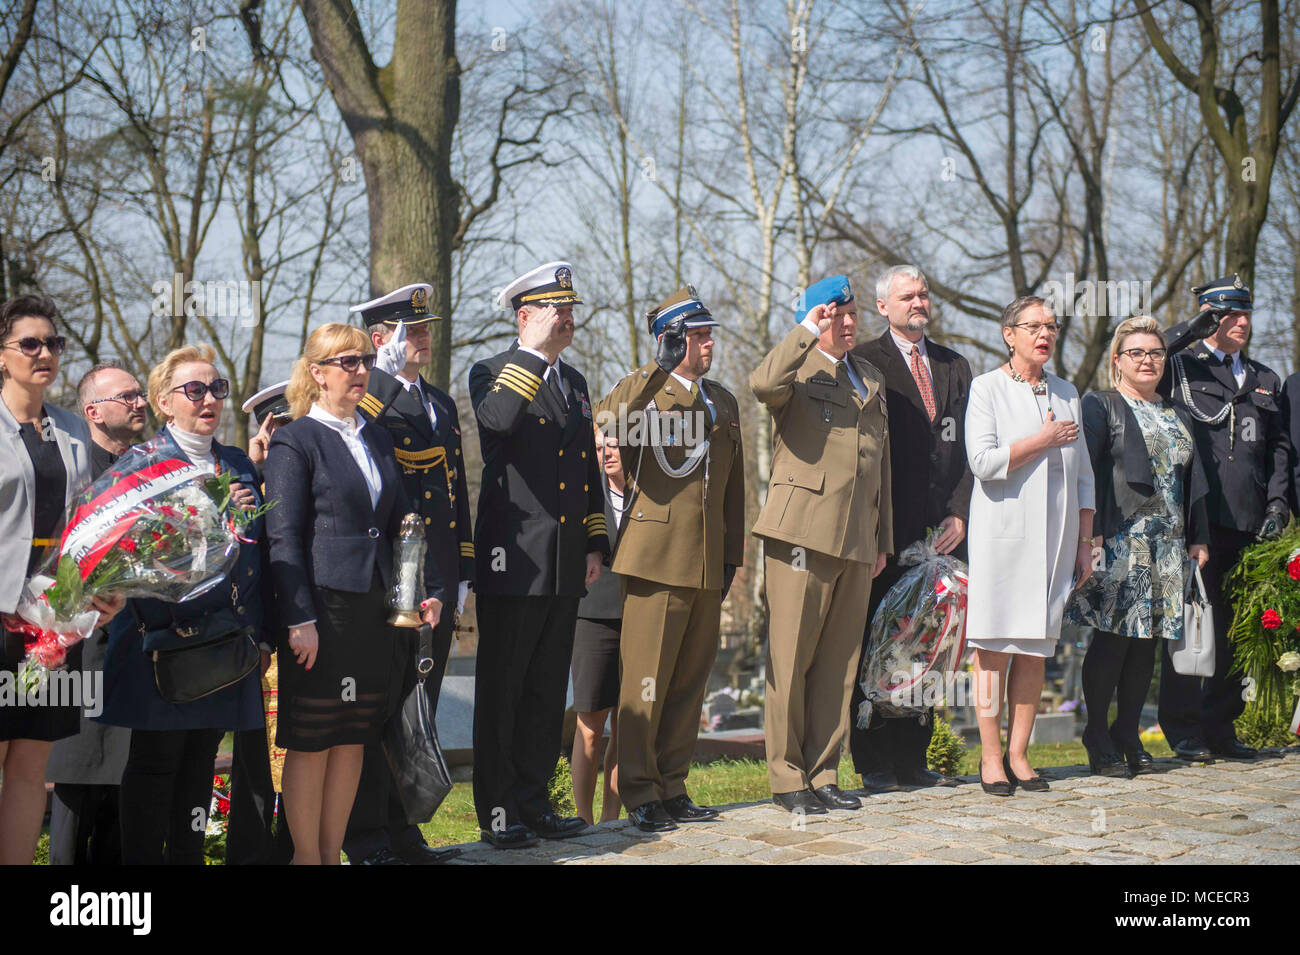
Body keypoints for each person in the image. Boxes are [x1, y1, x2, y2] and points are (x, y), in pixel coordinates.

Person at [264, 323, 440, 865]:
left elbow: (400, 526)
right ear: (316, 372)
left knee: (353, 737)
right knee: (313, 737)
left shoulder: (378, 436)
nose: (360, 370)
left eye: (364, 360)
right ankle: (304, 858)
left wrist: (416, 595)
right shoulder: (297, 438)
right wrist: (297, 617)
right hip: (321, 613)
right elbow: (282, 535)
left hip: (374, 609)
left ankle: (330, 854)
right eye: (346, 362)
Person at [97, 344, 268, 864]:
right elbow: (124, 559)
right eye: (194, 390)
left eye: (216, 388)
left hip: (222, 641)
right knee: (155, 765)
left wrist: (257, 633)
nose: (209, 399)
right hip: (159, 641)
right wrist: (210, 520)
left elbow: (257, 557)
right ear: (163, 402)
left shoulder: (238, 463)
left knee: (200, 765)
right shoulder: (139, 466)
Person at [594, 286, 745, 833]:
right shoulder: (641, 393)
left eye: (708, 335)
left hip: (706, 562)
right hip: (656, 558)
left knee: (687, 683)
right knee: (646, 683)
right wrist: (656, 370)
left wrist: (732, 555)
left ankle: (674, 785)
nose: (709, 345)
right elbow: (610, 425)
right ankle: (639, 790)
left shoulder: (722, 401)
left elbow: (734, 487)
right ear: (671, 340)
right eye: (697, 336)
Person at [469, 262, 607, 848]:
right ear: (524, 316)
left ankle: (534, 802)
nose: (568, 318)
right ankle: (499, 813)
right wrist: (530, 352)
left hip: (565, 560)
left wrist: (596, 541)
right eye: (556, 309)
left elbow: (585, 468)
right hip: (514, 560)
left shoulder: (574, 382)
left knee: (547, 690)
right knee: (503, 690)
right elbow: (497, 421)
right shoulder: (491, 371)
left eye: (571, 309)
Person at [340, 283, 469, 865]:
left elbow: (456, 494)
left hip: (435, 580)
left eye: (425, 328)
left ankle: (404, 828)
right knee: (377, 707)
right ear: (379, 339)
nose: (422, 338)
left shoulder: (440, 402)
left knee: (421, 703)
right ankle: (366, 837)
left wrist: (460, 572)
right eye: (409, 329)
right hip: (389, 578)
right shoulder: (367, 400)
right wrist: (384, 381)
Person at [751, 275, 889, 814]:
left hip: (857, 536)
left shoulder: (870, 375)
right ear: (815, 318)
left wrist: (885, 536)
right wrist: (806, 328)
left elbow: (883, 465)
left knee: (839, 661)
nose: (848, 322)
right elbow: (762, 386)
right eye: (836, 314)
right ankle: (787, 777)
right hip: (800, 533)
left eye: (852, 313)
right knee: (790, 658)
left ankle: (824, 770)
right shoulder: (797, 367)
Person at [0, 295, 123, 865]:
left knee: (31, 764)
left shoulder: (74, 429)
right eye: (30, 343)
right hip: (1, 618)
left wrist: (102, 592)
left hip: (55, 621)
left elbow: (93, 521)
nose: (44, 352)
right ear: (3, 355)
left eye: (52, 343)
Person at [1066, 317, 1211, 777]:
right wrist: (1087, 535)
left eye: (1155, 353)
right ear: (1118, 361)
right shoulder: (1101, 405)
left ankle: (1128, 732)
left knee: (1148, 644)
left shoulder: (1177, 412)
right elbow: (1084, 473)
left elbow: (1194, 481)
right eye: (1136, 353)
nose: (1147, 360)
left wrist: (1198, 537)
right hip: (1120, 537)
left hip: (1168, 542)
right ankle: (1096, 734)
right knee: (1113, 640)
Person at [1155, 275, 1290, 762]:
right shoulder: (1182, 368)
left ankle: (1221, 726)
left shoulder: (1265, 379)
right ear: (1210, 318)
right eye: (1230, 315)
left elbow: (1278, 451)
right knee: (1193, 623)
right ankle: (1184, 729)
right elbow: (1141, 355)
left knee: (1237, 628)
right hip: (1198, 521)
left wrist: (1278, 505)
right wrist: (1188, 331)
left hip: (1251, 522)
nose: (1243, 323)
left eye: (1246, 314)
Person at [965, 295, 1095, 796]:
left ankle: (1020, 754)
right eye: (1034, 326)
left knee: (1036, 649)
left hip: (1056, 538)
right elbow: (983, 460)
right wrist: (1041, 440)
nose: (1045, 334)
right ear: (1009, 334)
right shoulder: (987, 388)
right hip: (1004, 537)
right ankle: (991, 757)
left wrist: (1085, 541)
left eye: (1052, 326)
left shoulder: (1067, 391)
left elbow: (1084, 476)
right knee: (994, 647)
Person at [849, 264, 972, 793]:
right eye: (907, 296)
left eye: (924, 293)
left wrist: (961, 510)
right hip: (885, 531)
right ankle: (874, 761)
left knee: (929, 645)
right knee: (878, 639)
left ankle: (913, 759)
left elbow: (971, 447)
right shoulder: (864, 362)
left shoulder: (954, 365)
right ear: (884, 306)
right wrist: (875, 527)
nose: (918, 302)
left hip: (941, 529)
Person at [44, 361, 146, 865]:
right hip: (78, 655)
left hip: (136, 655)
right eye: (126, 397)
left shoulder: (152, 471)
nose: (140, 403)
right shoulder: (69, 470)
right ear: (93, 411)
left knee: (124, 810)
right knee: (75, 803)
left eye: (141, 394)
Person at [569, 427, 625, 825]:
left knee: (627, 726)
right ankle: (583, 820)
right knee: (591, 725)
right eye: (601, 447)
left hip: (641, 615)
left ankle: (612, 818)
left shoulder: (649, 493)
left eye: (615, 444)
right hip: (593, 616)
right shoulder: (588, 495)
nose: (607, 453)